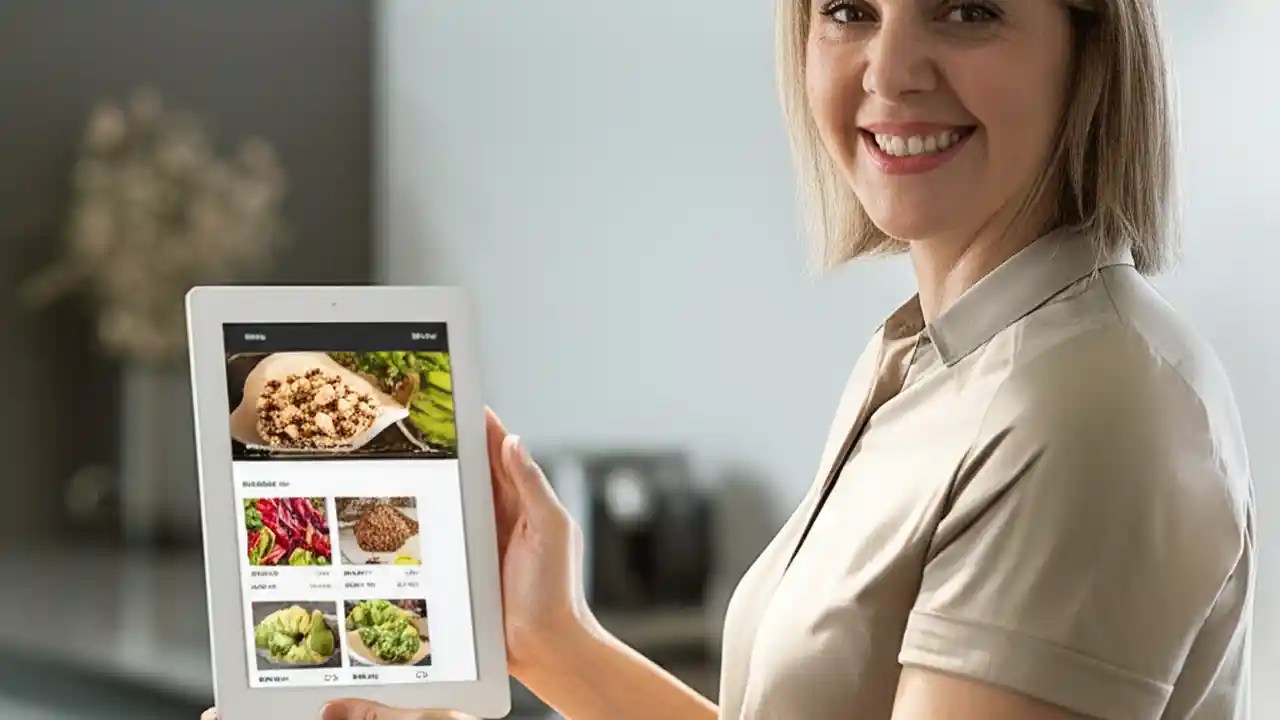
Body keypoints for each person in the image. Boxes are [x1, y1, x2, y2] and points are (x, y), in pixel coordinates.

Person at [206, 0, 1256, 717]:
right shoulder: (929, 360)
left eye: (965, 7)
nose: (888, 71)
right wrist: (552, 643)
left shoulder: (1084, 405)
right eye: (847, 9)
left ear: (1088, 50)